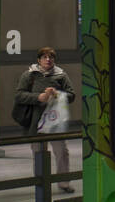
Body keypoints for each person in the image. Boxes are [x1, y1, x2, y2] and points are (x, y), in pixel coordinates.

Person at [15, 46, 76, 192]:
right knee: (39, 154)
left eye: (51, 57)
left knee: (61, 152)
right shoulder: (29, 75)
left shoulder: (61, 75)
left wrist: (57, 94)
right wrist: (38, 97)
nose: (48, 60)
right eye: (44, 57)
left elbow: (71, 95)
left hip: (55, 122)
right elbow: (19, 95)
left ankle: (63, 182)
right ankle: (41, 182)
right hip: (36, 123)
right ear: (39, 60)